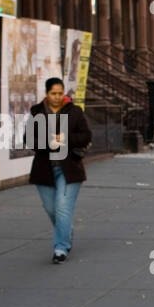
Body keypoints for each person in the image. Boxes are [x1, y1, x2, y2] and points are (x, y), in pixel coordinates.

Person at [28, 77, 91, 263]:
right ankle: (66, 230)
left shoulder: (75, 112)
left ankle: (60, 248)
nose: (57, 97)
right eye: (53, 93)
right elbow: (29, 140)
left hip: (69, 169)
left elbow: (86, 136)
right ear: (46, 94)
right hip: (44, 169)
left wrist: (66, 139)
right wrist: (48, 142)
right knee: (52, 210)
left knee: (63, 209)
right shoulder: (37, 112)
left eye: (60, 93)